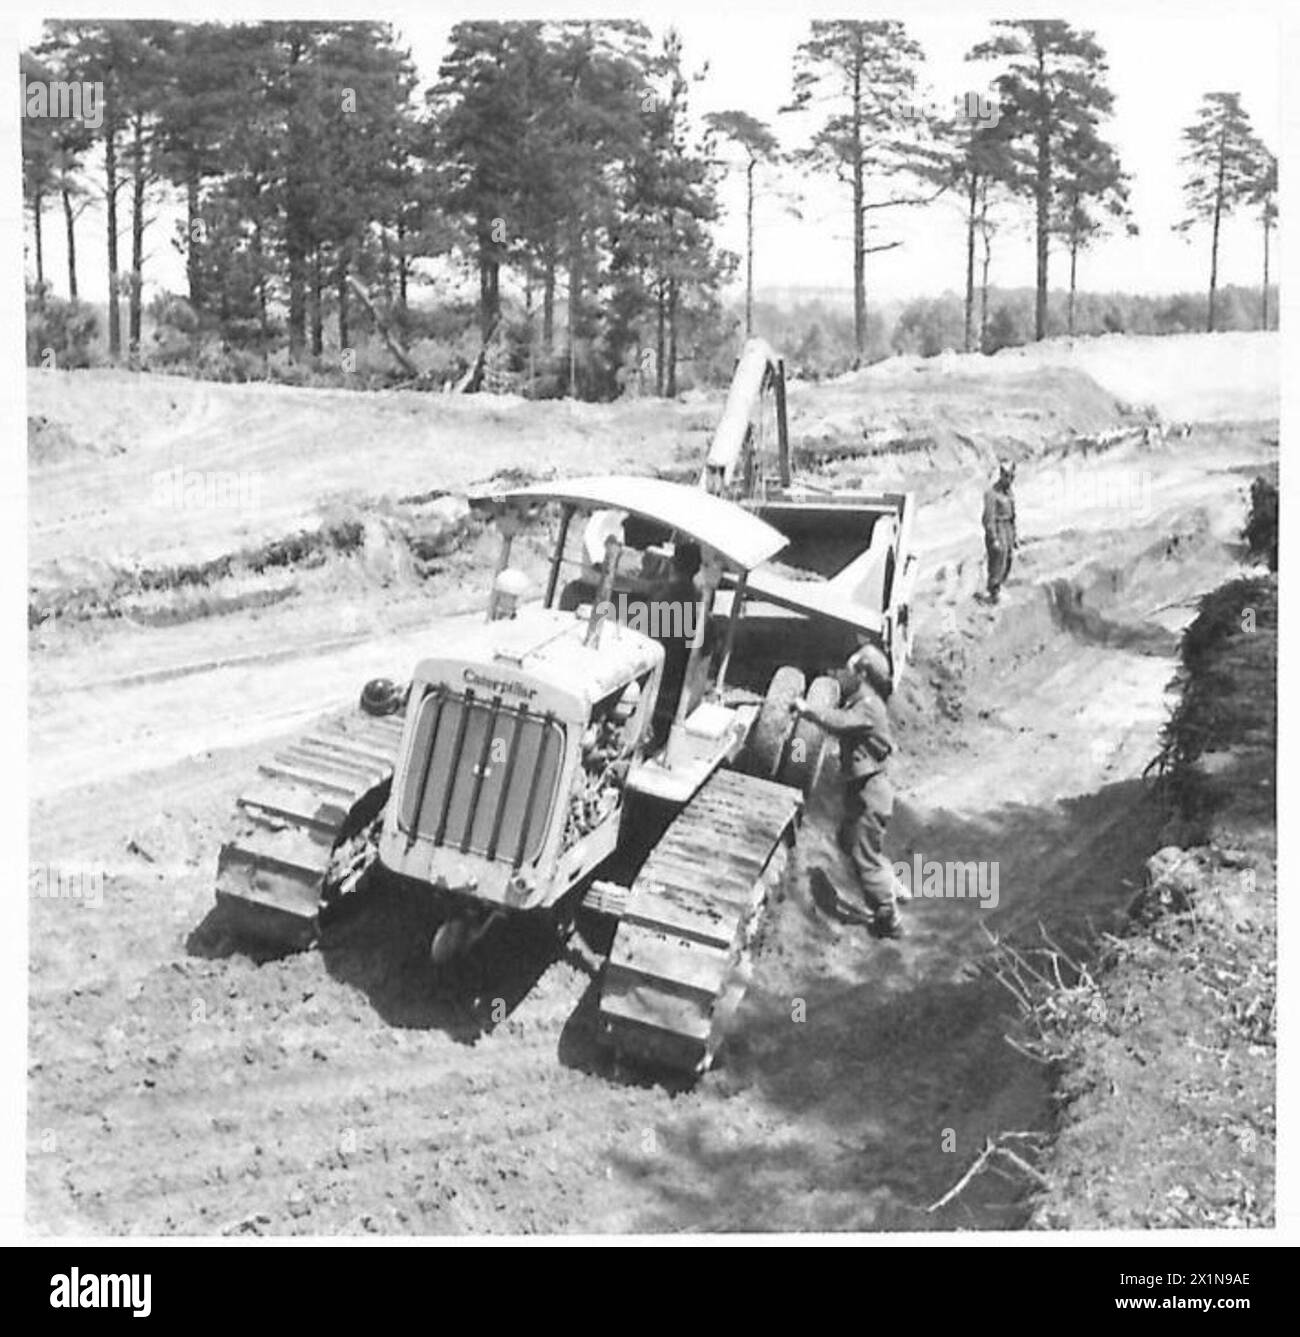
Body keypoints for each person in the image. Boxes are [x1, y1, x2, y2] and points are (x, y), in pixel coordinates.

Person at [791, 644, 906, 939]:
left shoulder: (867, 704)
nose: (843, 674)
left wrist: (808, 710)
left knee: (863, 856)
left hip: (871, 793)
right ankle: (891, 883)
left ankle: (888, 917)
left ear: (863, 673)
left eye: (848, 669)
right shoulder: (863, 700)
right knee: (848, 841)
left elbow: (840, 723)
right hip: (863, 788)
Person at [981, 459, 1018, 603]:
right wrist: (993, 538)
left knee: (1008, 558)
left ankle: (1000, 586)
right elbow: (987, 518)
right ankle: (993, 592)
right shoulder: (992, 493)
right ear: (1002, 475)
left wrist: (1014, 535)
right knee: (998, 560)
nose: (1010, 480)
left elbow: (1013, 515)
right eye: (1007, 476)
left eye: (1012, 477)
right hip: (998, 527)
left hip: (1007, 526)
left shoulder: (1009, 493)